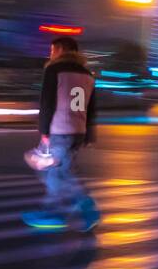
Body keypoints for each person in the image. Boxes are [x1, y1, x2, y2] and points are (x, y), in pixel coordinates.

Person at [22, 36, 100, 232]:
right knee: (62, 171)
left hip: (60, 130)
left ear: (62, 50)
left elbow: (47, 102)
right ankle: (80, 210)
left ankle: (58, 212)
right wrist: (89, 134)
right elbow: (91, 108)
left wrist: (44, 131)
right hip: (78, 131)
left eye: (52, 50)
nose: (51, 54)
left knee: (56, 173)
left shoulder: (54, 69)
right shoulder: (87, 74)